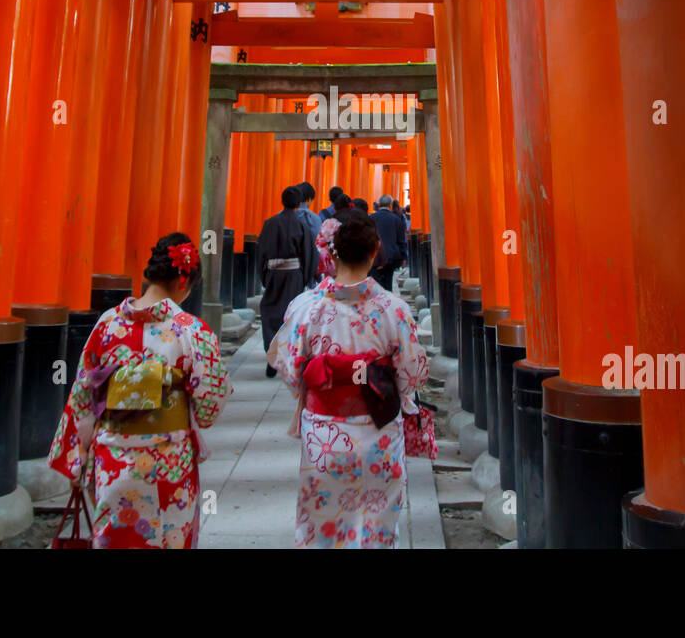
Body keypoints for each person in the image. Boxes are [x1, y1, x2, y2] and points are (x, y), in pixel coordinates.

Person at [48, 233, 230, 549]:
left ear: (149, 276)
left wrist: (79, 460)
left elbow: (82, 397)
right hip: (169, 463)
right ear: (183, 283)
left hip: (112, 461)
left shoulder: (106, 325)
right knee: (168, 540)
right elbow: (209, 408)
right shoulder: (192, 331)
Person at [270, 209, 429, 548]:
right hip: (379, 428)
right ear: (375, 251)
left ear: (332, 253)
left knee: (323, 522)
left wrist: (328, 376)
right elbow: (413, 373)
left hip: (324, 433)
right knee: (376, 524)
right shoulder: (394, 309)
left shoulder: (305, 307)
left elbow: (288, 367)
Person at [257, 186, 317, 377]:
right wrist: (305, 277)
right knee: (292, 314)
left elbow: (261, 252)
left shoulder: (269, 223)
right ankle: (288, 356)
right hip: (294, 276)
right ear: (300, 204)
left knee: (269, 311)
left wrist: (265, 276)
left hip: (274, 274)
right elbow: (309, 254)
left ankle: (272, 354)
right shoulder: (302, 226)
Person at [369, 194, 408, 291]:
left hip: (375, 256)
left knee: (377, 284)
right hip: (391, 256)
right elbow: (401, 240)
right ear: (390, 205)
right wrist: (403, 257)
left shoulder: (372, 218)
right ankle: (388, 302)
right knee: (388, 282)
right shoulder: (396, 219)